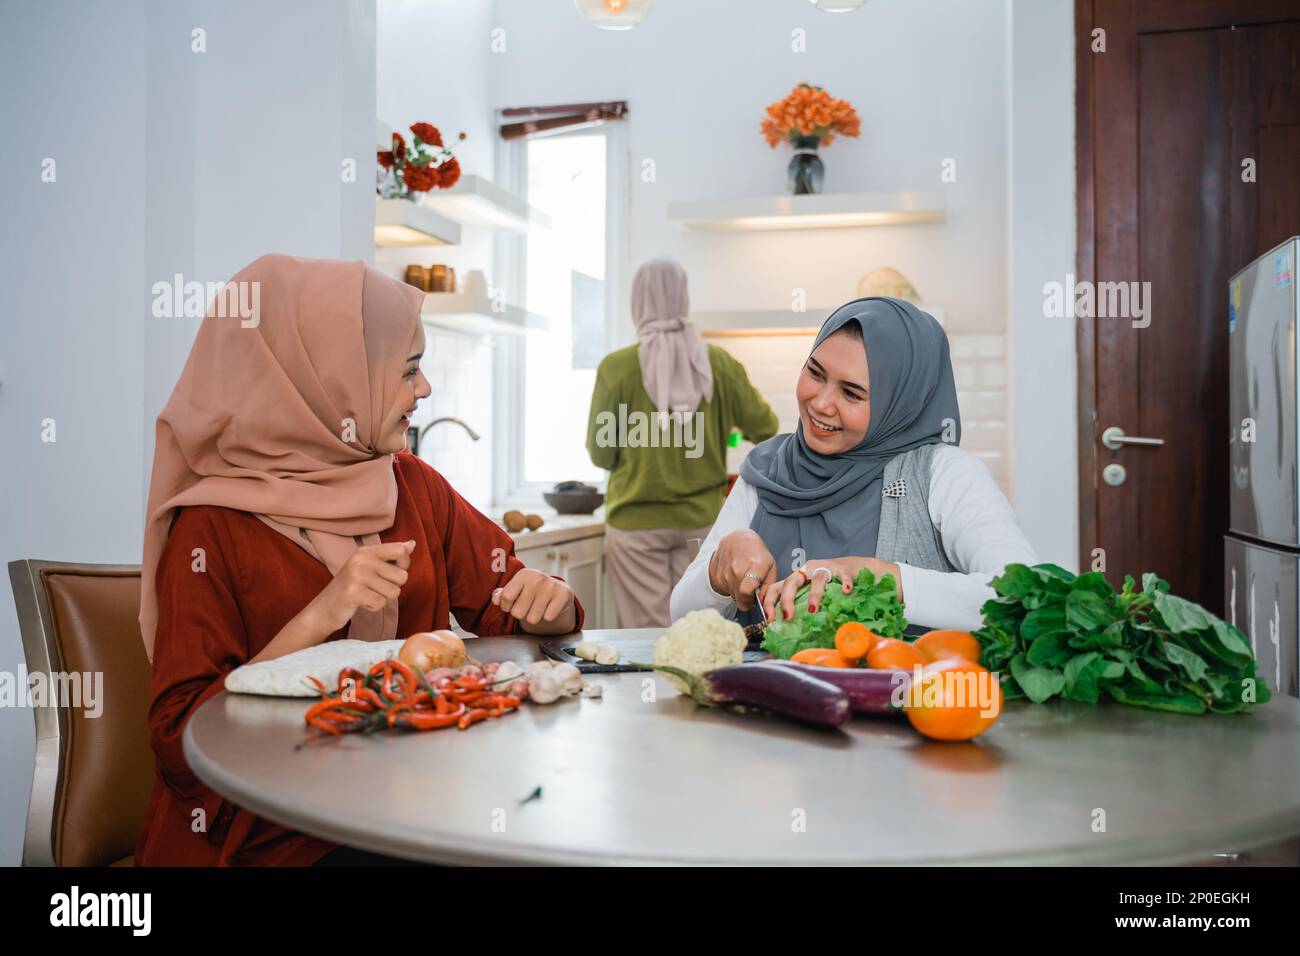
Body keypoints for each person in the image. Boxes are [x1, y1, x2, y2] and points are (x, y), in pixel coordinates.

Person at [136, 254, 583, 866]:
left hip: (406, 801)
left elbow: (516, 606)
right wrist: (322, 614)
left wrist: (550, 603)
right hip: (270, 833)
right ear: (327, 381)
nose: (424, 390)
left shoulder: (413, 486)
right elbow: (181, 739)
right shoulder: (210, 528)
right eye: (408, 370)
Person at [669, 297, 1036, 632]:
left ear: (899, 404)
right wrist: (719, 570)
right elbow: (682, 617)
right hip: (767, 701)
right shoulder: (767, 470)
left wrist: (881, 576)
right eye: (815, 372)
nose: (821, 403)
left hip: (908, 702)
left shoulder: (945, 474)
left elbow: (1023, 596)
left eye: (851, 393)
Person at [587, 257, 778, 628]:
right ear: (683, 298)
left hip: (635, 525)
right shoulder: (718, 364)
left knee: (649, 635)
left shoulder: (616, 368)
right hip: (703, 523)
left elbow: (600, 453)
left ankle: (652, 689)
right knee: (702, 628)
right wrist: (719, 433)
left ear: (636, 302)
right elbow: (767, 427)